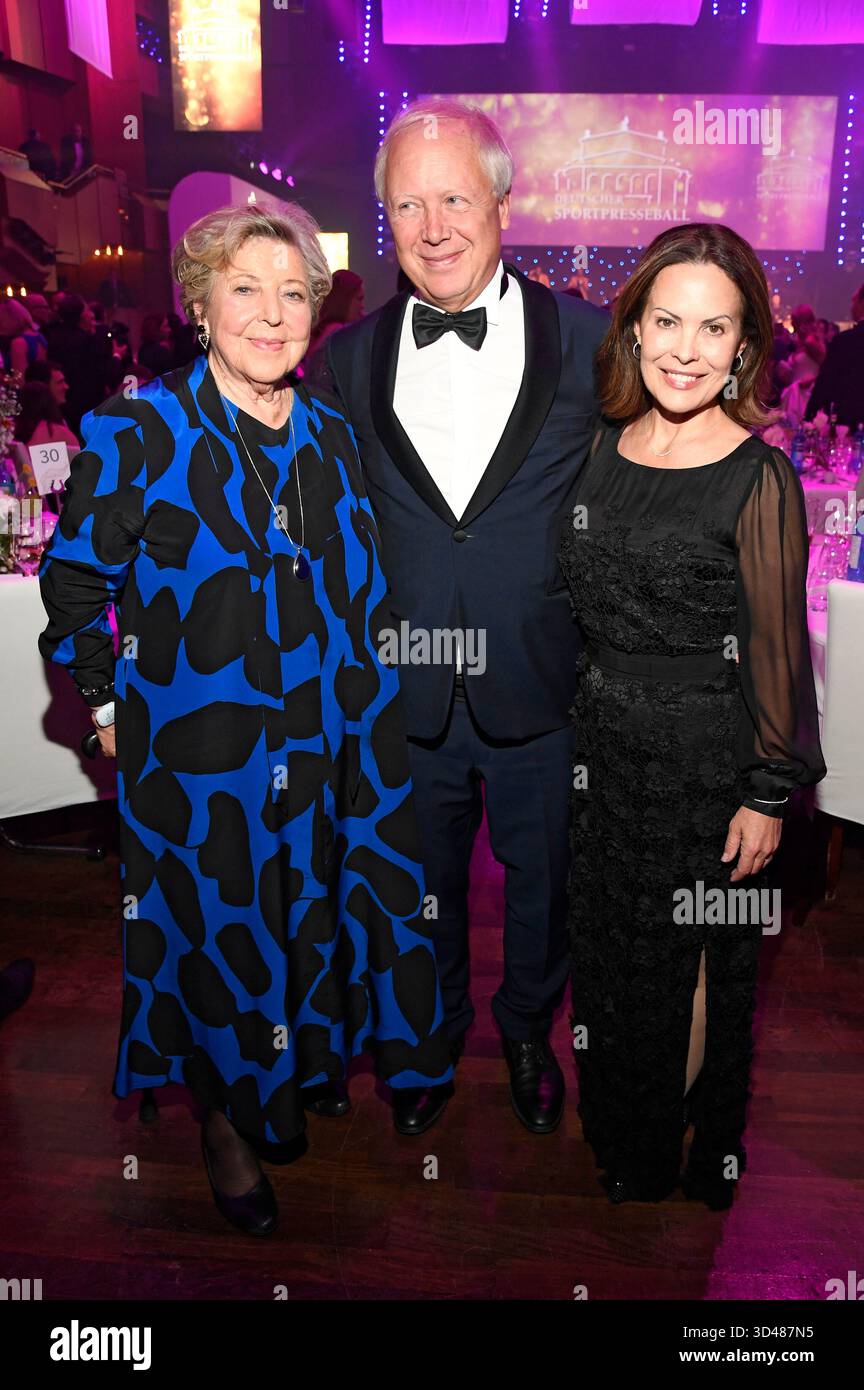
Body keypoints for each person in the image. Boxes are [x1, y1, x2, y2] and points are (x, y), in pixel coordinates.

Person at [38, 201, 453, 1237]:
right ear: (198, 306)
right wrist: (100, 711)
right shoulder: (139, 433)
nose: (272, 315)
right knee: (222, 939)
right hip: (202, 757)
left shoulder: (331, 437)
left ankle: (298, 1069)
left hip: (324, 744)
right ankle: (225, 1126)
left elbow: (361, 594)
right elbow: (75, 582)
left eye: (294, 293)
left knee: (302, 917)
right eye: (245, 290)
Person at [327, 97, 608, 1137]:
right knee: (420, 889)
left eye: (454, 197)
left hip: (543, 677)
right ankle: (423, 1041)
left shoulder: (587, 341)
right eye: (408, 204)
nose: (434, 225)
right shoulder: (345, 358)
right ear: (385, 219)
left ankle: (531, 1031)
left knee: (546, 889)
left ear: (501, 199)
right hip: (403, 687)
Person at [557, 223, 826, 1208]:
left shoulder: (759, 476)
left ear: (745, 346)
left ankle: (674, 1134)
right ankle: (626, 1121)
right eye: (666, 320)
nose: (685, 347)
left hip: (707, 758)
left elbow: (774, 649)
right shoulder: (598, 446)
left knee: (697, 953)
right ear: (632, 330)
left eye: (714, 328)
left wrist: (765, 791)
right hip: (604, 748)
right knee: (616, 952)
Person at [44, 293, 108, 435]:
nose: (90, 314)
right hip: (87, 404)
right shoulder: (88, 340)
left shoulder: (54, 339)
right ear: (80, 315)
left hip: (64, 404)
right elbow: (99, 375)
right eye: (86, 310)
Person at [806, 284, 864, 430]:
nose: (852, 305)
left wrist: (810, 416)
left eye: (854, 300)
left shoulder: (846, 340)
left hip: (846, 420)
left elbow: (826, 380)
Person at [302, 269, 365, 389]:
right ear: (345, 299)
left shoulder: (318, 329)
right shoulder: (338, 333)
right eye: (359, 299)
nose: (362, 306)